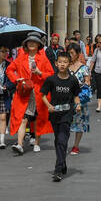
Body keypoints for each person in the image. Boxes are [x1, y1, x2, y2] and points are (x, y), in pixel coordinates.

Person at [8, 34, 54, 156]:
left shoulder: (43, 59)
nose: (32, 43)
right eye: (29, 42)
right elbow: (10, 70)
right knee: (23, 119)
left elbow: (51, 75)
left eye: (34, 42)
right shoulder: (21, 58)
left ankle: (37, 143)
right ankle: (19, 144)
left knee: (38, 119)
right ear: (26, 44)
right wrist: (17, 79)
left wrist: (40, 73)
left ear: (39, 44)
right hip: (24, 93)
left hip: (39, 93)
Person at [40, 51, 80, 181]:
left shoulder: (73, 80)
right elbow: (43, 95)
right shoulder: (51, 79)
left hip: (67, 114)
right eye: (60, 62)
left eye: (65, 62)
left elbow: (76, 96)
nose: (62, 65)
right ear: (56, 64)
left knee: (63, 140)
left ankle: (57, 170)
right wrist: (49, 106)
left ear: (69, 64)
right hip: (54, 114)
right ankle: (63, 163)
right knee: (58, 141)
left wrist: (78, 105)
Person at [66, 42, 92, 155]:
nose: (70, 55)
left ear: (78, 54)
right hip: (66, 99)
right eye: (69, 53)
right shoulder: (65, 66)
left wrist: (81, 86)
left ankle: (76, 145)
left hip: (80, 99)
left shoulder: (84, 68)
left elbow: (88, 82)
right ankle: (64, 143)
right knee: (65, 123)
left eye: (72, 53)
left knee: (79, 123)